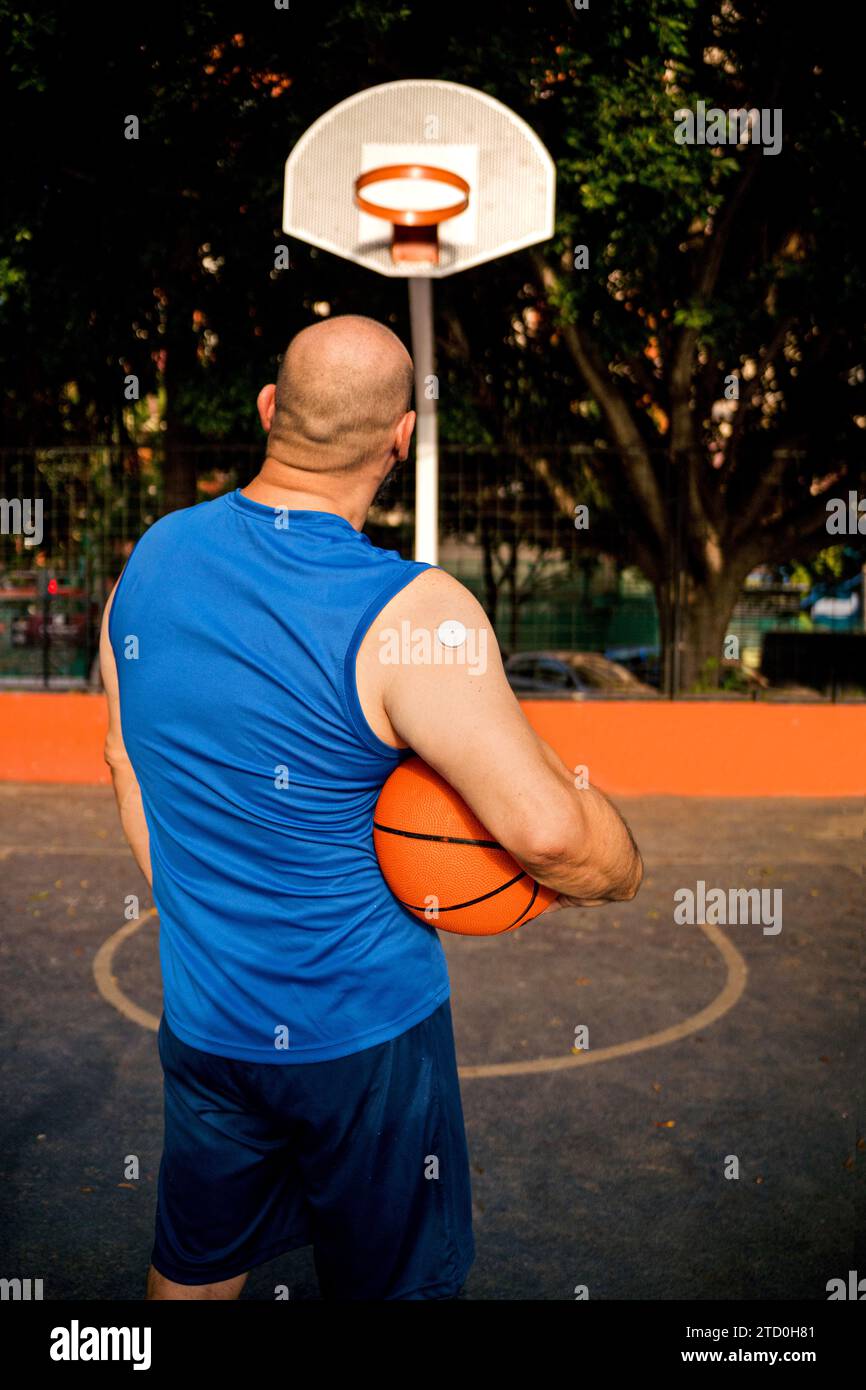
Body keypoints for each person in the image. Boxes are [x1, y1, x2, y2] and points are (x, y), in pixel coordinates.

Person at [99, 314, 642, 1301]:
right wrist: (624, 864)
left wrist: (206, 915)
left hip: (210, 1021)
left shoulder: (150, 561)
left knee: (193, 1271)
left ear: (268, 410)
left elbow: (123, 762)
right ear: (401, 441)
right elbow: (550, 831)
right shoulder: (412, 613)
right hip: (366, 1038)